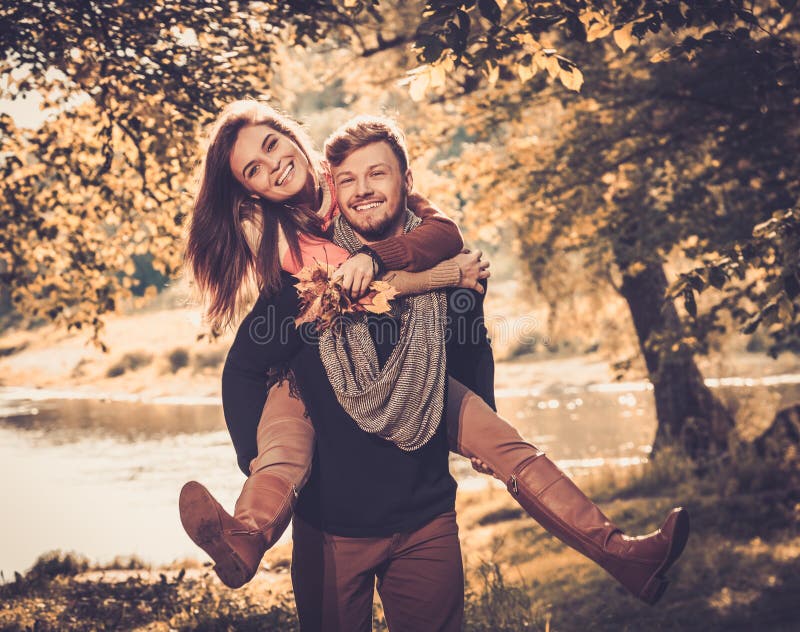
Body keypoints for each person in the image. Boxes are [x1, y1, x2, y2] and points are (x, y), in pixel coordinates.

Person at [180, 104, 689, 611]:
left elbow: (459, 299)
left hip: (422, 449)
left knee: (512, 448)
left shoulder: (352, 185)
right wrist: (445, 275)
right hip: (331, 504)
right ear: (251, 191)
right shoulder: (287, 256)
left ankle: (623, 554)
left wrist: (477, 414)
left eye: (272, 145)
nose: (273, 165)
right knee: (283, 451)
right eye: (254, 169)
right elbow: (346, 298)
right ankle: (247, 534)